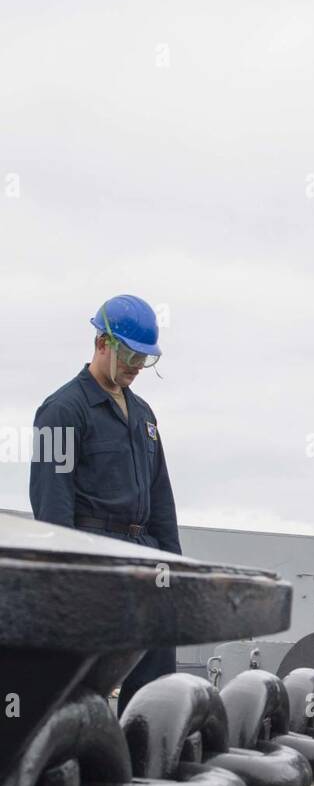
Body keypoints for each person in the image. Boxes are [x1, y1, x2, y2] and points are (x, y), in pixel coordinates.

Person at [29, 295, 181, 713]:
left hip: (146, 562)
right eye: (130, 354)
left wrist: (176, 569)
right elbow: (51, 503)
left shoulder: (144, 416)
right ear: (102, 343)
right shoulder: (62, 410)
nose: (136, 365)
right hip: (97, 562)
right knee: (84, 691)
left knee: (156, 688)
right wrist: (71, 582)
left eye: (145, 358)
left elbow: (162, 501)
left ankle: (147, 767)